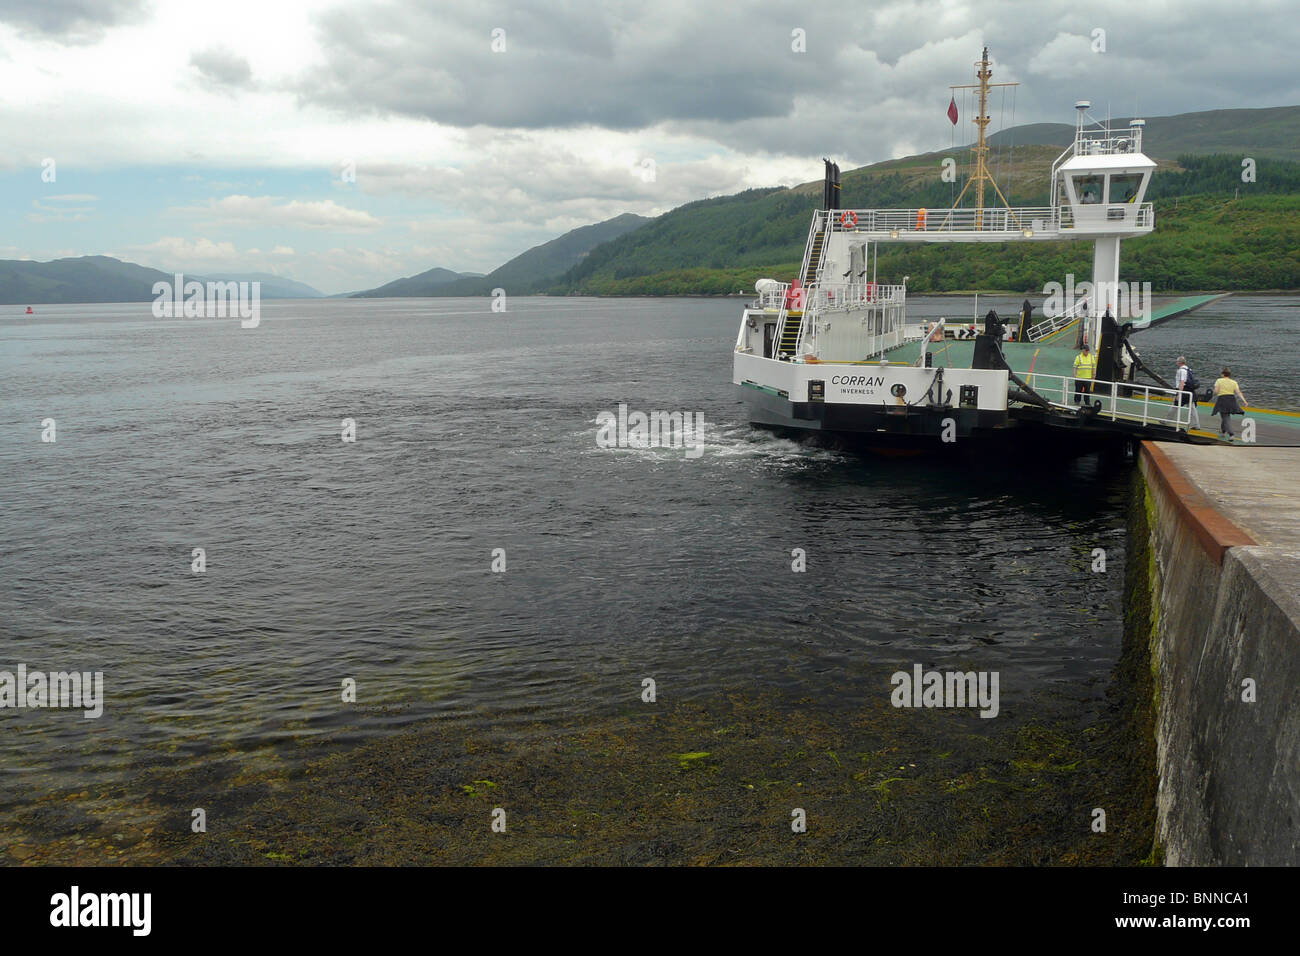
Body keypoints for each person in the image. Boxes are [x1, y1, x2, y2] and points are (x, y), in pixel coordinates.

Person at [1211, 367, 1249, 440]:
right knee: (1225, 416)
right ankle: (1223, 431)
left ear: (1222, 374)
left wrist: (1213, 394)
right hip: (1231, 400)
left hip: (1222, 399)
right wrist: (1244, 401)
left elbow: (1216, 391)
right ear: (1229, 375)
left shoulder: (1219, 381)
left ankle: (1231, 434)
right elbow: (1238, 392)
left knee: (1225, 417)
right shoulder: (1234, 382)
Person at [1175, 356, 1201, 429]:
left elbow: (1182, 382)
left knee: (1175, 405)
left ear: (1180, 362)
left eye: (1177, 362)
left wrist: (1179, 394)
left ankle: (1167, 420)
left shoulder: (1181, 371)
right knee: (1192, 408)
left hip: (1183, 391)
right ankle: (1197, 425)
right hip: (1190, 391)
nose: (1176, 363)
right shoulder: (1188, 369)